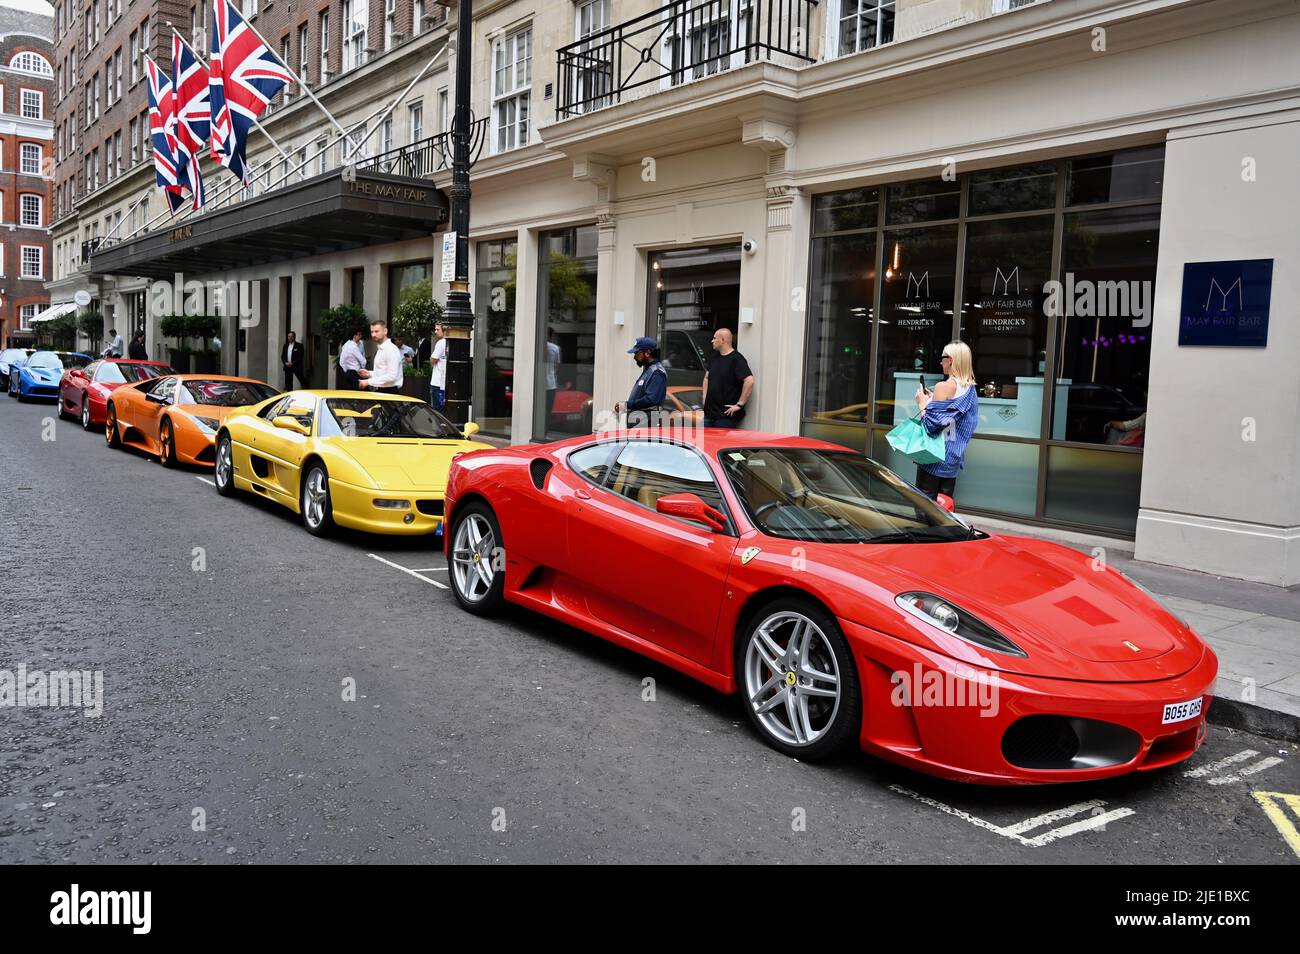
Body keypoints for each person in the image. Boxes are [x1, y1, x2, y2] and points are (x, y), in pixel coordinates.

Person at [914, 341, 979, 503]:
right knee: (945, 506)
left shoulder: (943, 387)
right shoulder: (970, 389)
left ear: (951, 360)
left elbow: (930, 426)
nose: (940, 361)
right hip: (953, 458)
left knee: (925, 506)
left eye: (943, 357)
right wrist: (933, 401)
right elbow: (953, 417)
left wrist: (922, 403)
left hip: (933, 457)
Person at [701, 327, 754, 428]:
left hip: (725, 417)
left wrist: (739, 404)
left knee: (720, 444)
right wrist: (705, 397)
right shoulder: (714, 357)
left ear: (723, 340)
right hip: (708, 414)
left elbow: (749, 381)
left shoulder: (737, 359)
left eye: (714, 338)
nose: (712, 341)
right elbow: (706, 378)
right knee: (704, 443)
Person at [613, 336, 667, 426]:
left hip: (647, 425)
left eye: (637, 353)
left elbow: (650, 400)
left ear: (648, 353)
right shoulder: (649, 370)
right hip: (640, 424)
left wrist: (627, 405)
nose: (635, 357)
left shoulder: (657, 372)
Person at [358, 319, 402, 393]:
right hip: (382, 391)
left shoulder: (391, 349)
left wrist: (367, 382)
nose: (373, 334)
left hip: (390, 392)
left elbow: (392, 376)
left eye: (376, 331)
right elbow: (383, 373)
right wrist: (369, 374)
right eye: (372, 332)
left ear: (385, 331)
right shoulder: (381, 349)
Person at [544, 328, 561, 425]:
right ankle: (544, 430)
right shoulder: (555, 348)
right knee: (547, 410)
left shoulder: (537, 346)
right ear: (551, 336)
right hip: (551, 384)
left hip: (539, 384)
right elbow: (557, 366)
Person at [428, 320, 447, 410]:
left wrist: (432, 360)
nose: (435, 332)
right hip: (445, 383)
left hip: (437, 382)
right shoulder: (450, 342)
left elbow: (433, 359)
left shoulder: (441, 343)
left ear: (444, 330)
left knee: (436, 411)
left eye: (437, 329)